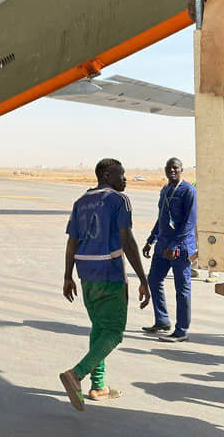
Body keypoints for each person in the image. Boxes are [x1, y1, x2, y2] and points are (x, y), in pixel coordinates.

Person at [59, 158, 150, 412]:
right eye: (121, 174)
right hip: (109, 274)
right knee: (113, 332)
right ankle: (75, 374)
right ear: (107, 175)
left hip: (86, 275)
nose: (125, 179)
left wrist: (68, 276)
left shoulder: (81, 202)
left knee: (99, 328)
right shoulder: (118, 200)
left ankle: (98, 386)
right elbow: (127, 239)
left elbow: (72, 242)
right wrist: (143, 279)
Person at [142, 157, 197, 343]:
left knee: (182, 288)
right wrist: (151, 239)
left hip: (180, 248)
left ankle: (181, 330)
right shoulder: (165, 190)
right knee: (154, 279)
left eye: (175, 168)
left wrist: (175, 245)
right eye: (168, 168)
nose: (171, 171)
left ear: (182, 169)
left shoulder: (188, 190)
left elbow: (189, 222)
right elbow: (162, 218)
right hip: (162, 246)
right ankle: (162, 320)